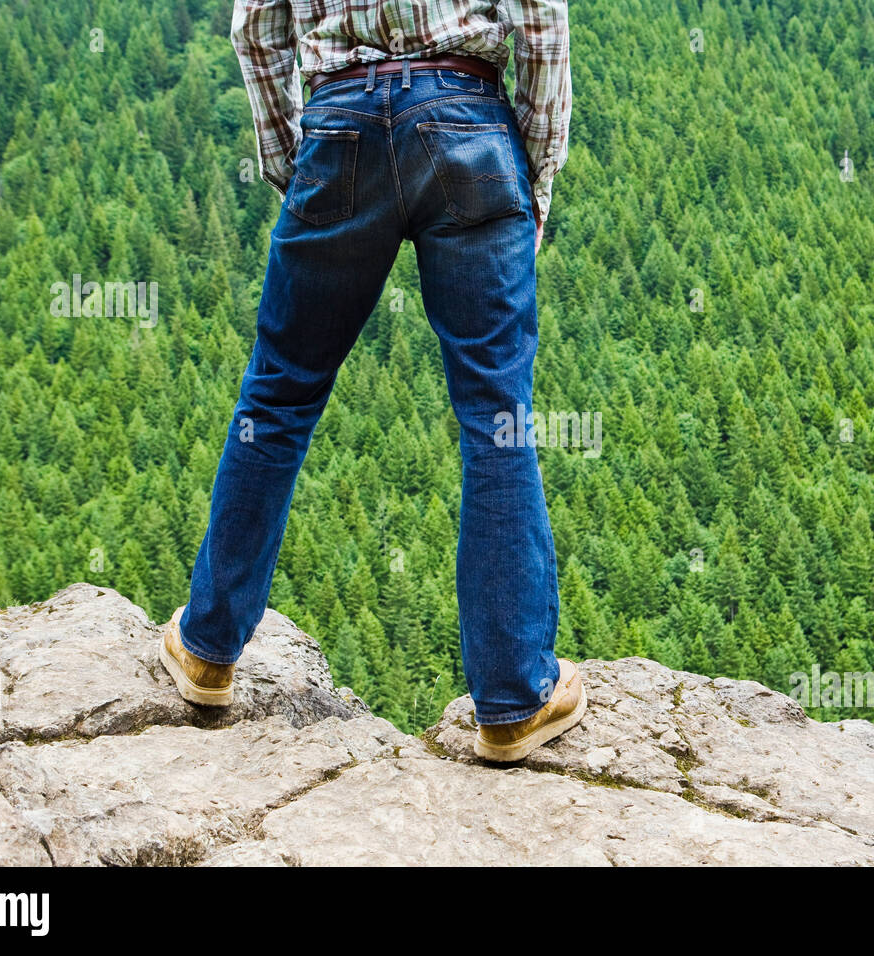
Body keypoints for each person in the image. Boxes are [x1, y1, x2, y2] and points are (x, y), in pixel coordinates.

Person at [158, 0, 584, 762]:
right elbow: (542, 25)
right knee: (497, 416)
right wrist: (531, 174)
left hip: (340, 120)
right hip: (468, 119)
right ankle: (515, 702)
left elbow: (254, 27)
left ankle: (207, 651)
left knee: (279, 394)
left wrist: (294, 160)